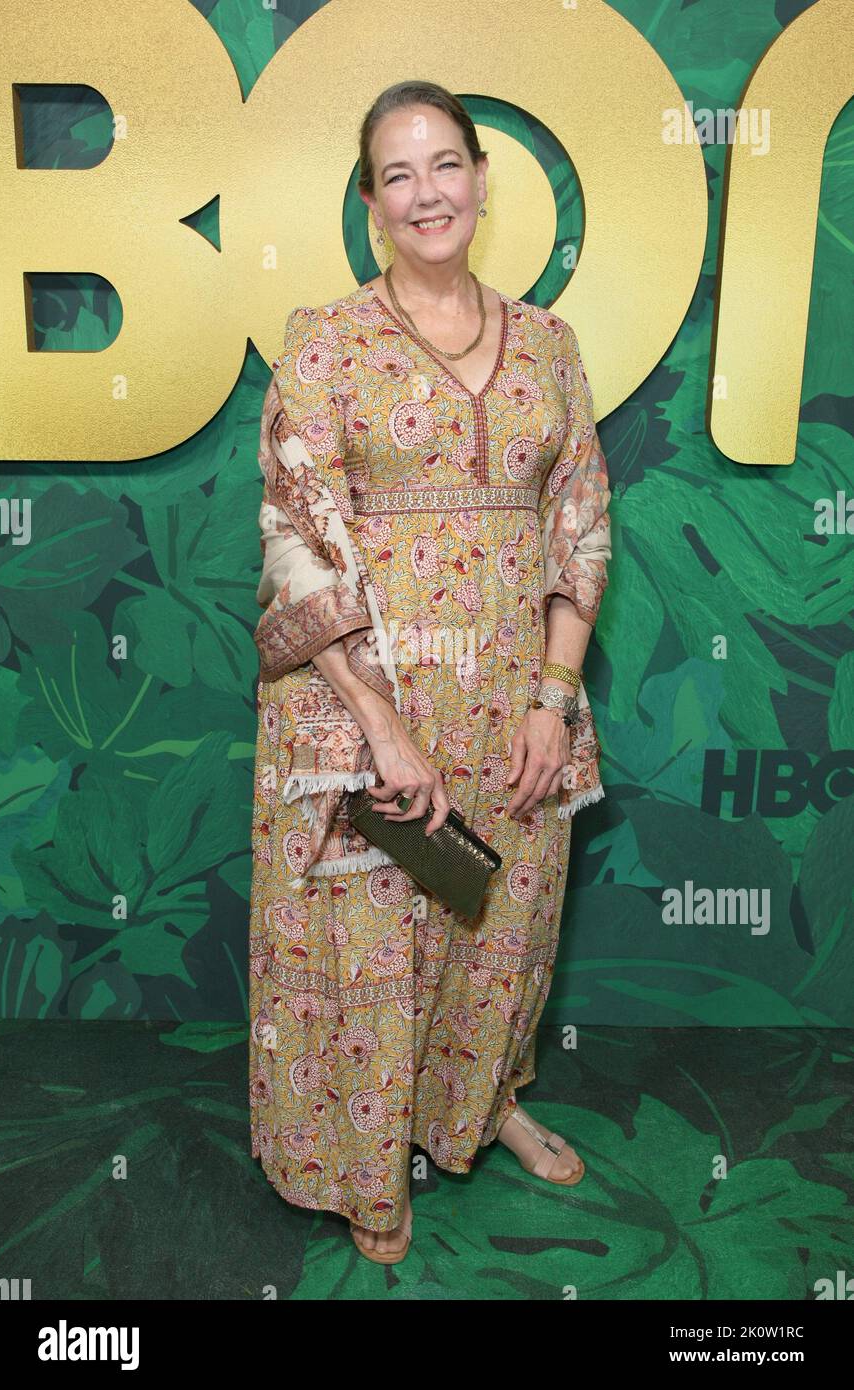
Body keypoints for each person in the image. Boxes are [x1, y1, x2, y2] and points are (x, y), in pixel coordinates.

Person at [249, 80, 612, 1265]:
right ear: (369, 203)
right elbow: (296, 533)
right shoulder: (324, 341)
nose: (425, 193)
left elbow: (581, 524)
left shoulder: (550, 346)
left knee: (504, 908)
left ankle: (480, 1103)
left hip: (512, 691)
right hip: (364, 695)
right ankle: (367, 1163)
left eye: (445, 165)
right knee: (368, 928)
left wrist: (554, 698)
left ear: (480, 180)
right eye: (397, 175)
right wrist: (377, 725)